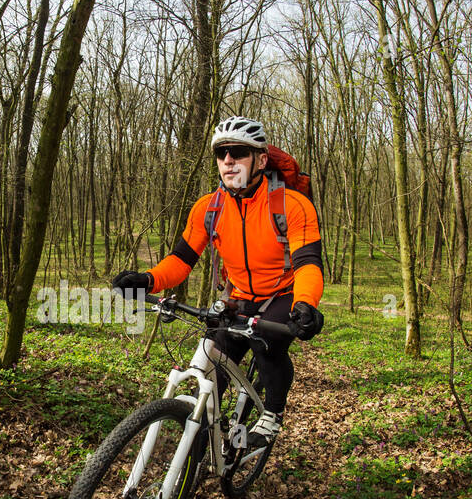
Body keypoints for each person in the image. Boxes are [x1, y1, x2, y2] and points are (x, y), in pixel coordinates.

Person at [112, 116, 324, 449]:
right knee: (212, 361)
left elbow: (308, 264)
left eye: (238, 152)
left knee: (266, 341)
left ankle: (272, 413)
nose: (228, 160)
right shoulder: (208, 208)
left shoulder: (291, 205)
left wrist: (306, 305)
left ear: (261, 160)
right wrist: (147, 280)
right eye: (221, 153)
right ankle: (201, 441)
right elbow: (181, 261)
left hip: (283, 293)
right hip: (238, 294)